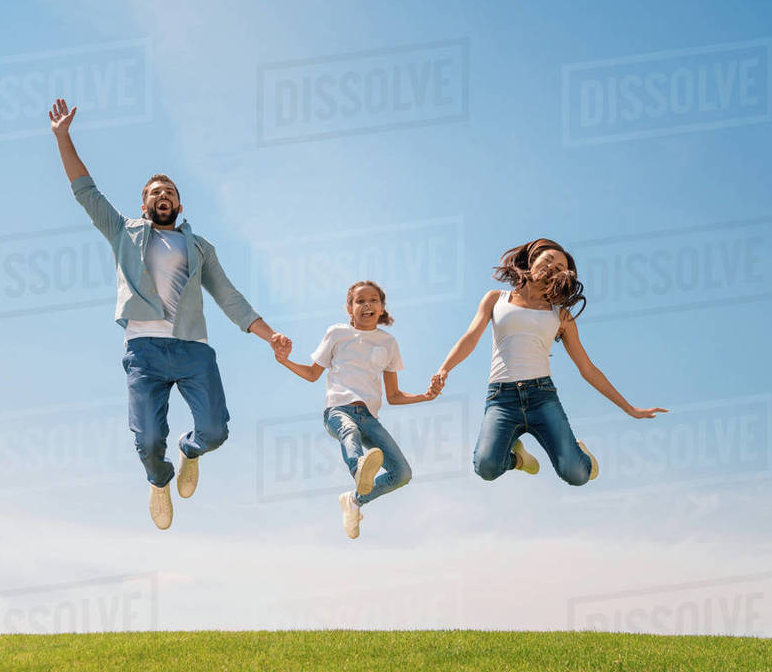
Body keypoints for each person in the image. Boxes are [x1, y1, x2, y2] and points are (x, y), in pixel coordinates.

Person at [49, 98, 290, 530]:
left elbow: (229, 296)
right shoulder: (123, 231)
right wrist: (63, 137)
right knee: (147, 442)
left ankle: (190, 450)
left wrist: (269, 335)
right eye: (155, 193)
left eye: (170, 192)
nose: (163, 196)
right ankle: (159, 479)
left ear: (179, 204)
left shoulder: (199, 247)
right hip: (143, 349)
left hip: (193, 349)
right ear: (144, 205)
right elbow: (86, 190)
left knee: (215, 432)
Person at [432, 239, 666, 486]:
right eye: (548, 259)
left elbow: (587, 368)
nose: (552, 266)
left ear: (564, 276)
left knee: (577, 476)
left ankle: (580, 454)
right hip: (502, 398)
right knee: (486, 467)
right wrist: (444, 369)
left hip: (541, 397)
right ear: (532, 259)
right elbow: (470, 338)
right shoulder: (495, 299)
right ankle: (520, 460)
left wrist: (629, 408)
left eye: (560, 266)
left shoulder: (560, 315)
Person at [273, 281, 440, 538]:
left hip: (370, 419)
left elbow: (394, 395)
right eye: (359, 301)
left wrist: (425, 396)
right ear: (349, 309)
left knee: (402, 474)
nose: (367, 305)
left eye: (373, 300)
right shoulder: (337, 334)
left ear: (382, 308)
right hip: (338, 411)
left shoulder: (389, 343)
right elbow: (312, 374)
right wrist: (284, 362)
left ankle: (355, 500)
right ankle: (357, 468)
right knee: (348, 431)